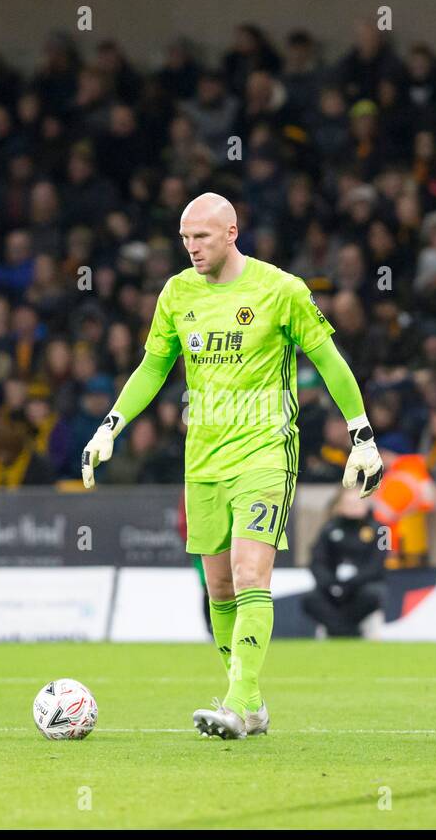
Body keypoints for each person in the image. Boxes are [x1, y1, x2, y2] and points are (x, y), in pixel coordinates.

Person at [80, 192, 383, 739]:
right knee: (218, 589)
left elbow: (329, 360)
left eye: (202, 236)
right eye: (185, 238)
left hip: (267, 451)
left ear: (231, 233)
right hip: (204, 458)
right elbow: (153, 367)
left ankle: (238, 705)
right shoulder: (177, 293)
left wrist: (361, 433)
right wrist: (111, 426)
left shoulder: (281, 290)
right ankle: (253, 702)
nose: (192, 247)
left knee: (249, 574)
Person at [305, 488, 387, 636]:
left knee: (373, 594)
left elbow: (378, 564)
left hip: (362, 587)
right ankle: (349, 632)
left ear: (367, 504)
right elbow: (317, 560)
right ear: (340, 505)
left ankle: (340, 630)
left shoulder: (382, 530)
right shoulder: (329, 528)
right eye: (348, 503)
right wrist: (331, 583)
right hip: (333, 588)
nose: (353, 507)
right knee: (310, 599)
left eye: (357, 503)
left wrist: (351, 583)